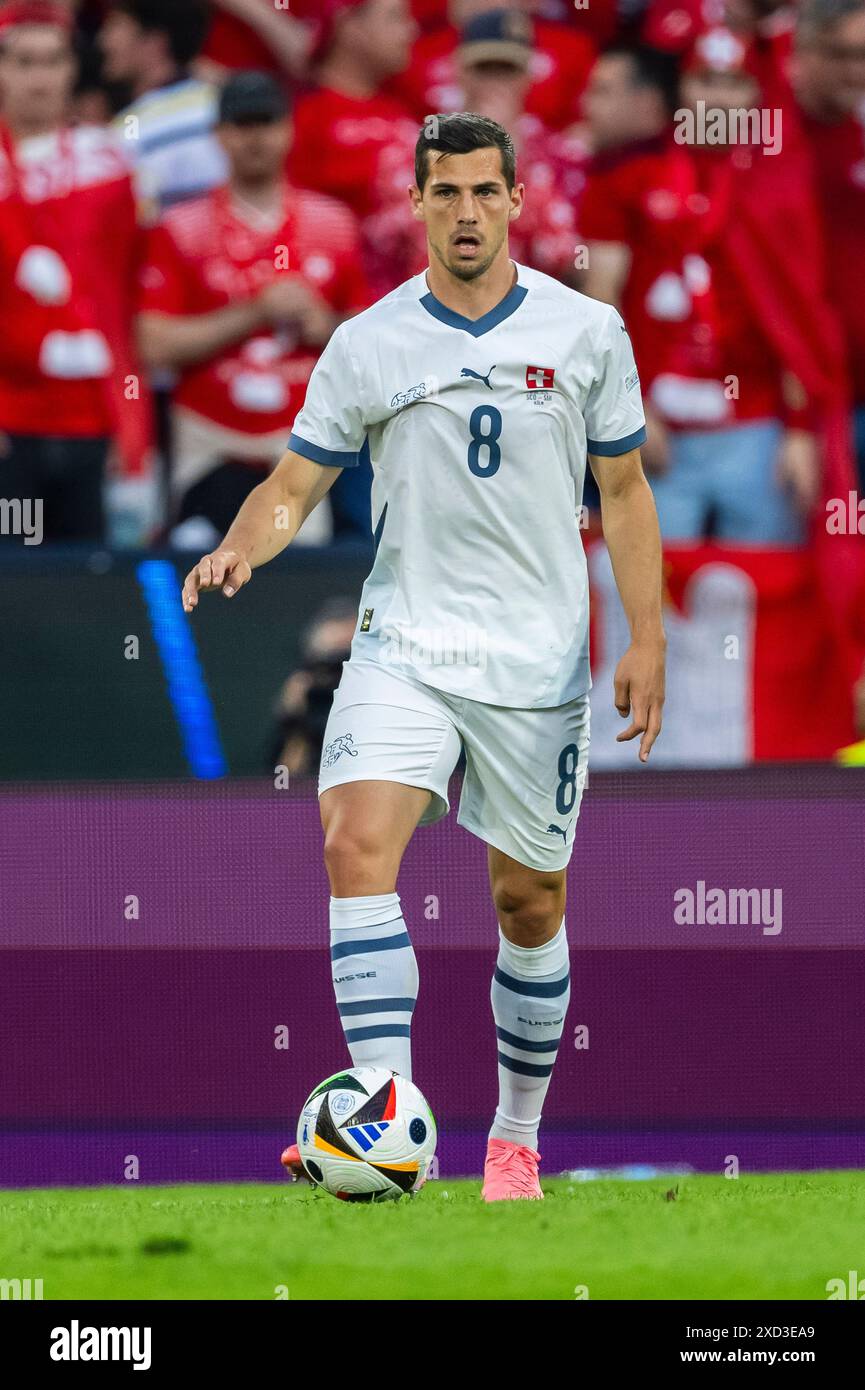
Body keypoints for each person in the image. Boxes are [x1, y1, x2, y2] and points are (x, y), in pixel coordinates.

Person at [181, 112, 666, 1201]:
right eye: (443, 193)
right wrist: (240, 546)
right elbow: (294, 481)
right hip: (402, 644)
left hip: (536, 661)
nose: (464, 213)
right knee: (355, 841)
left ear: (515, 201)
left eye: (483, 193)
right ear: (414, 204)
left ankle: (515, 1137)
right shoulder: (369, 341)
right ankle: (384, 1129)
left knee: (529, 902)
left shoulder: (585, 331)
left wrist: (648, 636)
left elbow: (625, 494)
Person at [136, 71, 371, 542]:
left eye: (266, 123)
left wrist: (324, 324)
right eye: (242, 125)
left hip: (300, 435)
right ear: (219, 135)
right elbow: (153, 343)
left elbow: (371, 341)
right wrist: (255, 312)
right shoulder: (182, 227)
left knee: (296, 569)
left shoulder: (333, 224)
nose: (256, 138)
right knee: (196, 550)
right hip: (207, 437)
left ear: (288, 129)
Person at [0, 0, 143, 543]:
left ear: (71, 69)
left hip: (92, 417)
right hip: (10, 423)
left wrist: (133, 424)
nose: (39, 78)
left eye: (52, 61)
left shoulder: (109, 164)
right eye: (23, 62)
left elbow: (125, 297)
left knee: (88, 579)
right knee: (13, 578)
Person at [793, 0, 865, 492]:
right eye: (842, 54)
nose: (855, 70)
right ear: (803, 51)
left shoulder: (859, 137)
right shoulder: (768, 140)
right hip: (802, 391)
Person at [99, 0, 227, 217]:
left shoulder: (122, 135)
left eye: (115, 26)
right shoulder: (221, 105)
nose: (104, 41)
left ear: (154, 41)